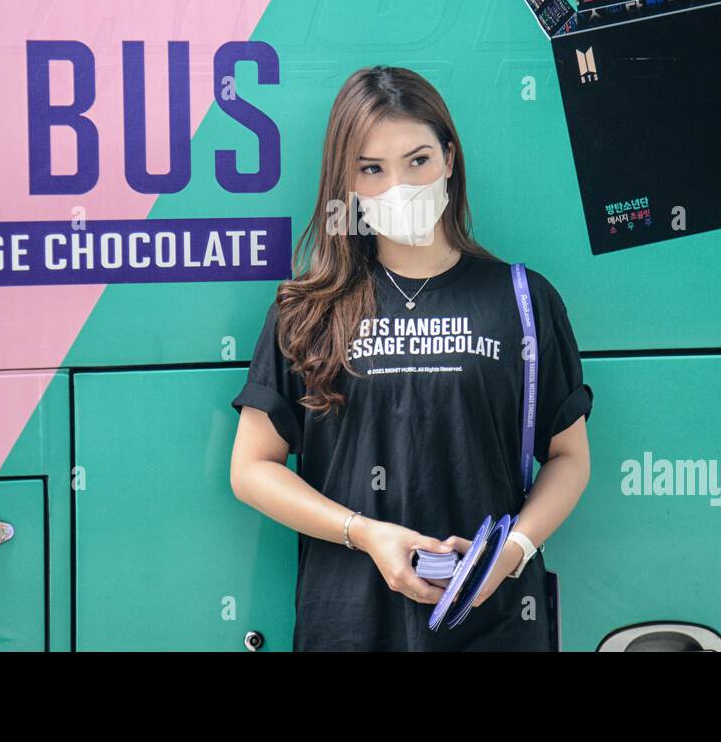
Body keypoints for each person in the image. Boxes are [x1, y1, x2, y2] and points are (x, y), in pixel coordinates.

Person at [229, 66, 593, 651]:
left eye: (418, 160)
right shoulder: (308, 309)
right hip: (348, 624)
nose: (399, 185)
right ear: (345, 183)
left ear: (449, 158)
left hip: (491, 622)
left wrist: (512, 552)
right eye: (372, 169)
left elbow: (570, 457)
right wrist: (365, 534)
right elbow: (251, 468)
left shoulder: (524, 300)